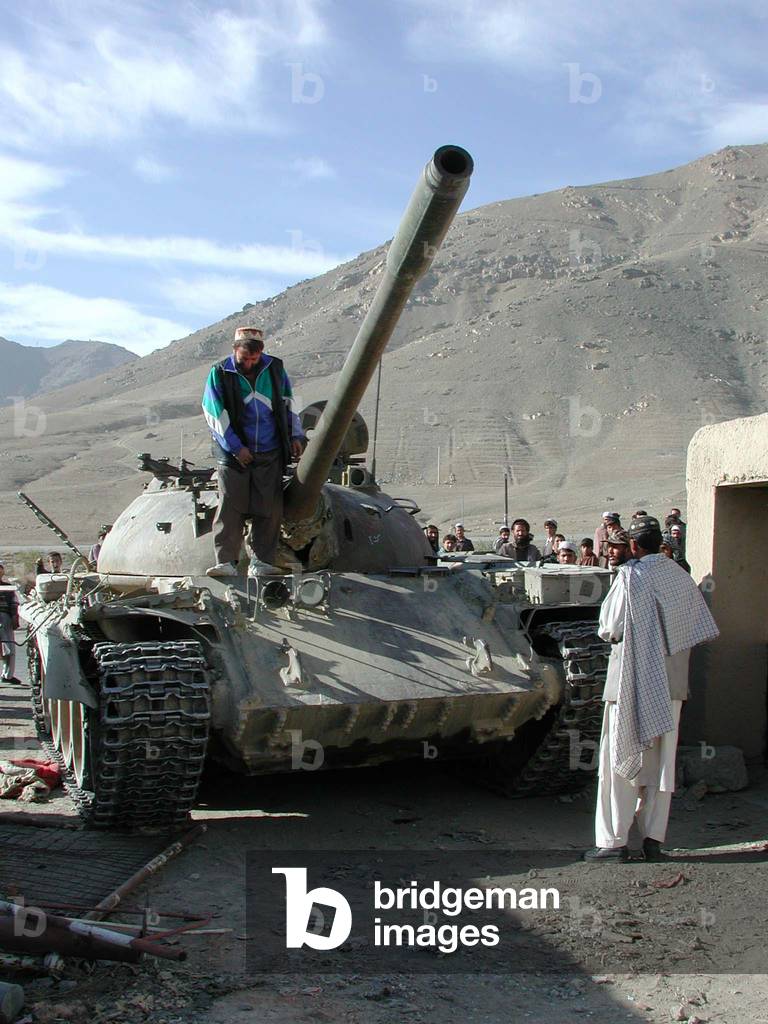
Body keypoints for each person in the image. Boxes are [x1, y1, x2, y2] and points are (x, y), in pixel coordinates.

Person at [584, 516, 719, 863]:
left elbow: (609, 627)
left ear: (633, 545)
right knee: (662, 766)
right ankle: (653, 840)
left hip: (631, 682)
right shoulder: (681, 577)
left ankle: (613, 842)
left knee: (619, 762)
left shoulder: (630, 578)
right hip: (671, 687)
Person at [201, 326, 305, 577]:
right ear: (235, 350)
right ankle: (226, 562)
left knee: (269, 508)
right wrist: (236, 447)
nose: (249, 363)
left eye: (254, 359)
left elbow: (289, 403)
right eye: (244, 358)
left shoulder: (274, 369)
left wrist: (295, 435)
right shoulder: (220, 372)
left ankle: (261, 562)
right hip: (233, 454)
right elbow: (214, 413)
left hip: (270, 449)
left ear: (261, 353)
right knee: (231, 506)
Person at [0, 566, 21, 686]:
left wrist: (14, 617)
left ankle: (7, 675)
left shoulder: (7, 587)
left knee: (9, 646)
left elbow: (14, 603)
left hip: (5, 617)